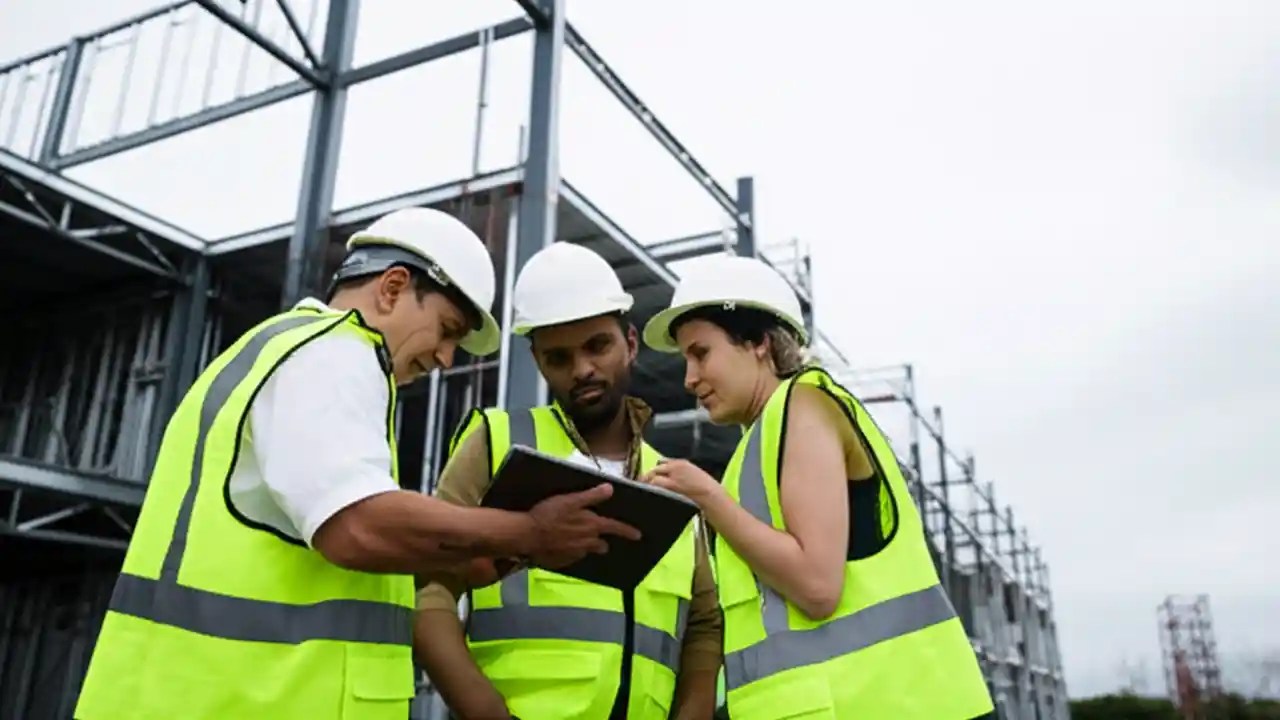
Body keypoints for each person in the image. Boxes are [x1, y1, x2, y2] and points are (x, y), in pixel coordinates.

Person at [73, 208, 640, 720]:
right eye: (446, 331)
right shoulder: (335, 352)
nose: (445, 358)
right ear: (394, 288)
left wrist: (471, 556)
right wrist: (530, 532)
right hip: (244, 699)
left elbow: (316, 547)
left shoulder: (283, 349)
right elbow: (356, 527)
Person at [638, 255, 995, 719]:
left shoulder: (804, 403)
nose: (689, 379)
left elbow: (816, 586)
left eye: (701, 353)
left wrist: (707, 498)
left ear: (758, 343)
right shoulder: (760, 443)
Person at [414, 241, 723, 720]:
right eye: (558, 357)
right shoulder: (496, 444)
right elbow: (427, 589)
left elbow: (704, 624)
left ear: (631, 343)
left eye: (598, 345)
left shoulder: (672, 482)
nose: (582, 369)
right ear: (538, 361)